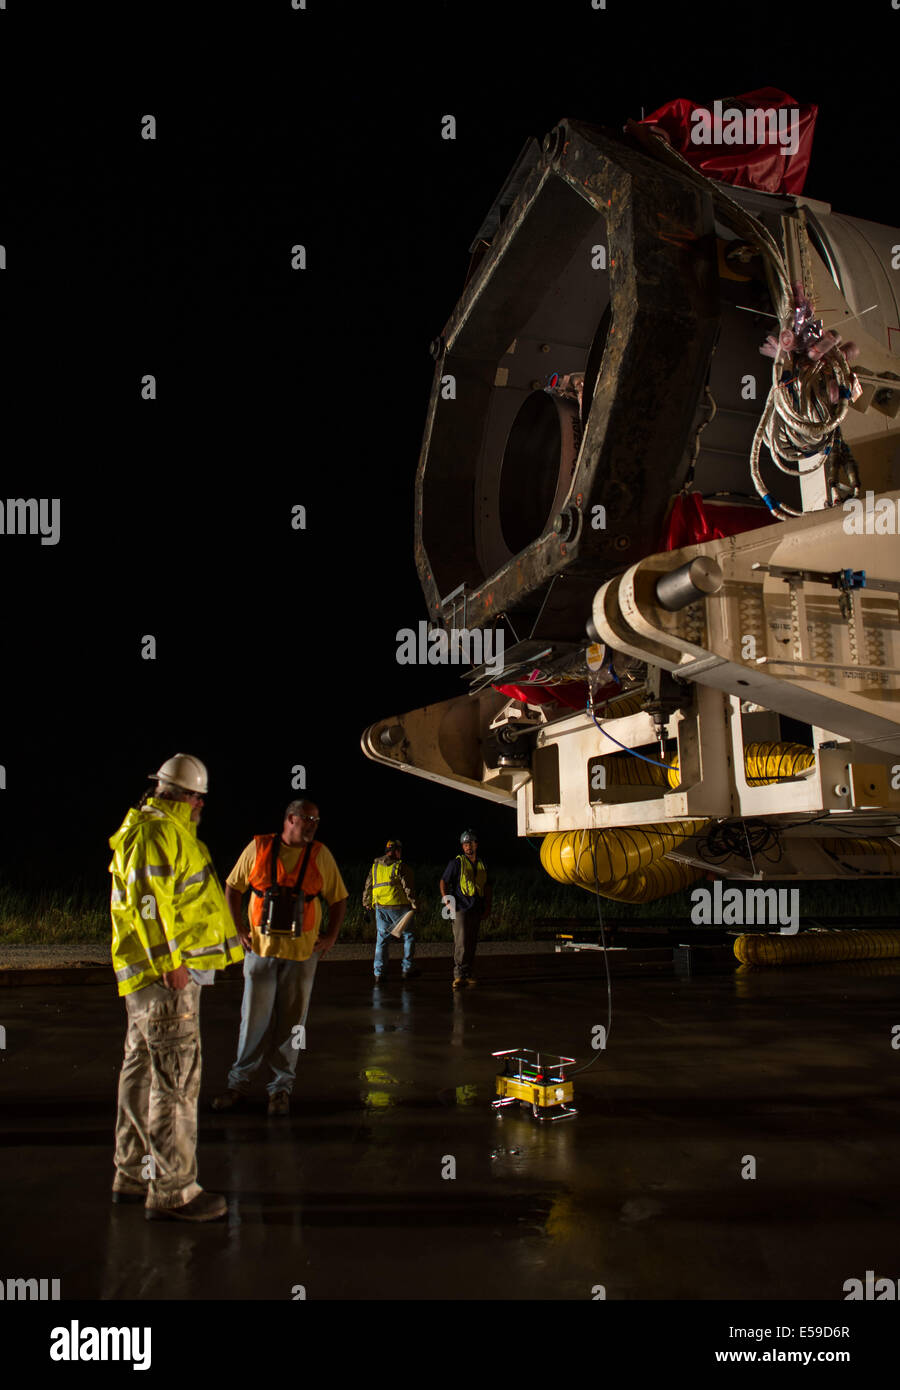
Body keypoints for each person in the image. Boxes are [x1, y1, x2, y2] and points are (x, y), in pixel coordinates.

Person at [109, 753, 243, 1222]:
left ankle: (132, 1173)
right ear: (187, 797)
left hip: (148, 981)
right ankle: (174, 1189)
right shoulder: (159, 833)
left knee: (142, 1073)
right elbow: (150, 903)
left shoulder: (154, 830)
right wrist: (170, 965)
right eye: (199, 798)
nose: (201, 806)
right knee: (177, 1081)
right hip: (167, 981)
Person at [212, 798, 348, 1116]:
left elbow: (338, 898)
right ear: (289, 819)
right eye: (307, 819)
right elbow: (232, 887)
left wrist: (331, 936)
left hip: (302, 955)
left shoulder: (320, 855)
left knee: (292, 1026)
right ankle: (238, 1085)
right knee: (253, 1023)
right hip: (260, 950)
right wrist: (238, 929)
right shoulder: (259, 847)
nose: (313, 825)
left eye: (316, 820)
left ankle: (281, 1090)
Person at [440, 830, 491, 990]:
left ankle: (468, 973)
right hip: (460, 908)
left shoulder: (482, 864)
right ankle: (459, 975)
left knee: (471, 943)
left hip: (476, 908)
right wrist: (447, 901)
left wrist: (488, 907)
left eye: (471, 843)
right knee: (461, 942)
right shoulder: (456, 863)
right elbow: (443, 881)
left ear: (476, 844)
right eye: (465, 844)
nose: (468, 846)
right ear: (462, 846)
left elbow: (488, 887)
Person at [362, 839, 419, 982]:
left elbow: (368, 885)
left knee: (382, 940)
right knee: (408, 936)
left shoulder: (375, 867)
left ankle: (379, 973)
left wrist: (366, 902)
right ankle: (407, 968)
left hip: (380, 908)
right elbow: (408, 888)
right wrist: (415, 904)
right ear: (397, 851)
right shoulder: (401, 866)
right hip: (400, 907)